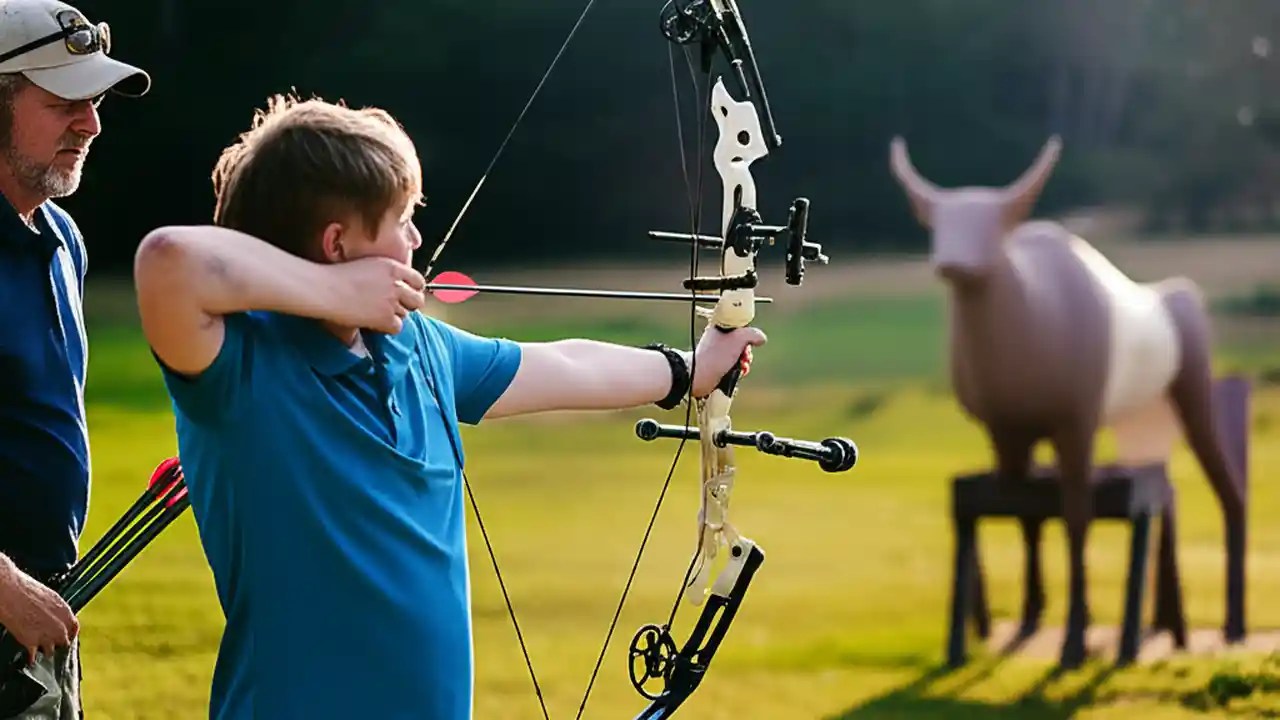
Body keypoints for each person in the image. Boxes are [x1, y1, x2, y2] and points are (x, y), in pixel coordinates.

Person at [132, 93, 765, 719]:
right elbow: (168, 260)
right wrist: (334, 293)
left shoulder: (419, 346)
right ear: (336, 245)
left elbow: (565, 365)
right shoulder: (239, 367)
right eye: (402, 218)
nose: (416, 237)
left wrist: (688, 369)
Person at [0, 0, 150, 716]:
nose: (90, 123)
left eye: (93, 101)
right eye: (64, 101)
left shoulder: (63, 236)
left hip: (42, 607)